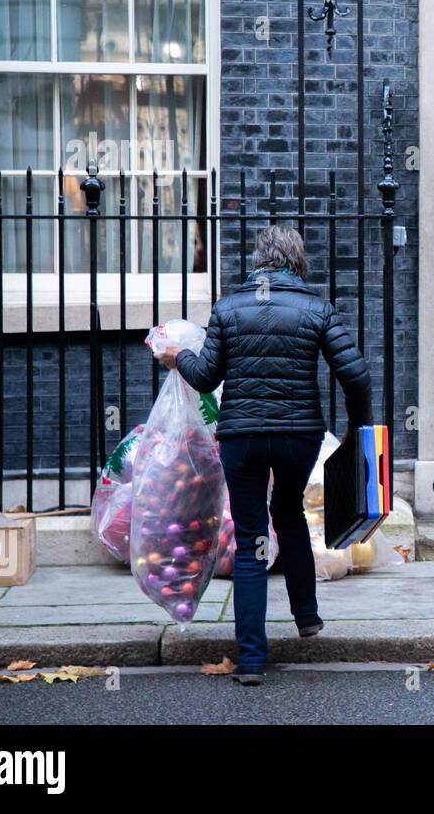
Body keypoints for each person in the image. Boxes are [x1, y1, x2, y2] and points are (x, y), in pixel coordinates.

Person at [155, 225, 372, 685]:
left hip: (244, 438)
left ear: (258, 260)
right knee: (289, 512)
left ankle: (252, 660)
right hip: (299, 438)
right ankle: (307, 616)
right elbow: (356, 376)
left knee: (252, 539)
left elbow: (207, 377)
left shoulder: (229, 308)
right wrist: (358, 428)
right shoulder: (316, 308)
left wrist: (178, 358)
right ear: (297, 262)